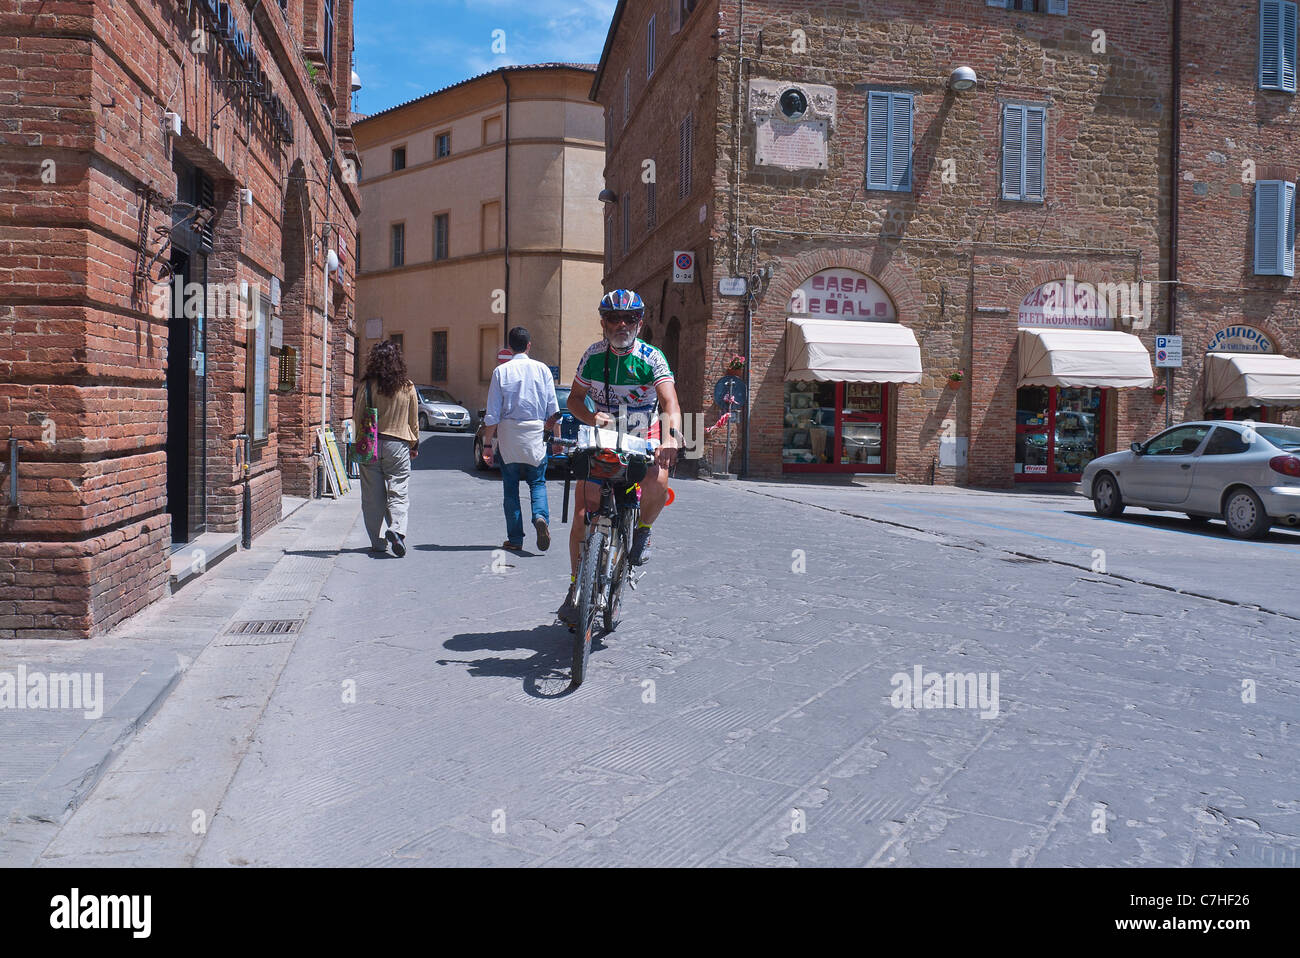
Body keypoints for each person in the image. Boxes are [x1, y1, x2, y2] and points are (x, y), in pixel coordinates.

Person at [558, 289, 681, 623]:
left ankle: (642, 530)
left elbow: (669, 401)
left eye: (629, 318)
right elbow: (573, 400)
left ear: (639, 322)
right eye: (614, 318)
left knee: (659, 479)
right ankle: (575, 586)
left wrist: (670, 437)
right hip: (605, 436)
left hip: (643, 433)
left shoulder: (652, 357)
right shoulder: (593, 355)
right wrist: (590, 416)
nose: (621, 324)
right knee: (583, 512)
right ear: (604, 323)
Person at [480, 326, 561, 552]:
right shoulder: (543, 370)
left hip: (509, 435)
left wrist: (487, 444)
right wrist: (557, 439)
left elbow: (492, 413)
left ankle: (515, 539)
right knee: (537, 482)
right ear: (529, 345)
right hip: (535, 433)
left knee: (510, 487)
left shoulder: (501, 372)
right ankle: (540, 517)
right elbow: (553, 410)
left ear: (509, 347)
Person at [353, 340, 419, 557]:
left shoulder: (366, 386)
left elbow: (358, 417)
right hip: (398, 444)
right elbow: (413, 422)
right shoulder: (408, 386)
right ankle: (397, 529)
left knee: (372, 498)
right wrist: (414, 444)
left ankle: (378, 543)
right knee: (398, 491)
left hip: (371, 444)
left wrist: (358, 443)